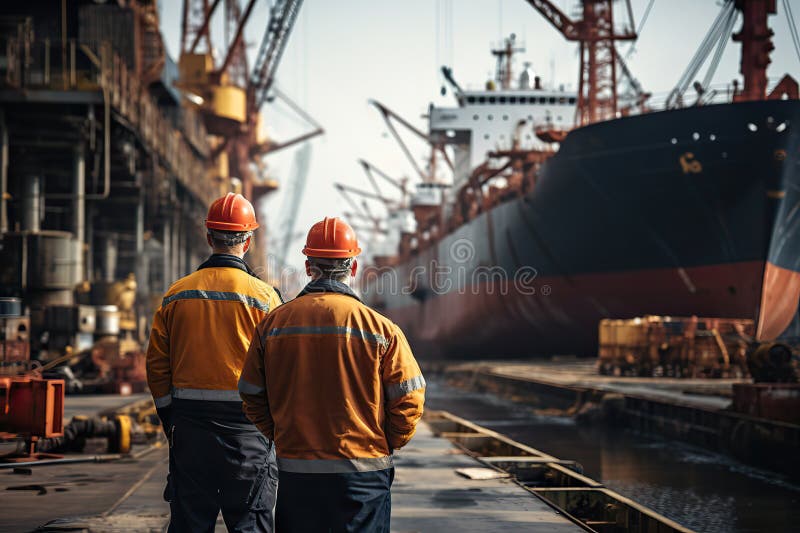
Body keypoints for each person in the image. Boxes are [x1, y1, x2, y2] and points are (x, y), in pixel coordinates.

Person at [238, 216, 426, 532]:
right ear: (353, 268)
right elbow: (409, 398)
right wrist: (387, 441)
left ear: (309, 266)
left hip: (298, 472)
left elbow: (251, 393)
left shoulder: (273, 325)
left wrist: (281, 434)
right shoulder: (381, 329)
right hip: (363, 473)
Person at [146, 193, 283, 532]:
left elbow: (156, 366)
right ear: (248, 241)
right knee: (250, 523)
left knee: (191, 523)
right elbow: (282, 369)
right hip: (248, 433)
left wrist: (170, 418)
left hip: (190, 429)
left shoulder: (176, 294)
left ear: (209, 237)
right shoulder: (265, 299)